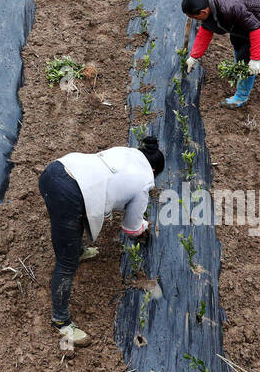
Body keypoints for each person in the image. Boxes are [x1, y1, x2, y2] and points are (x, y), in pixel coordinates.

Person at [37, 137, 165, 347]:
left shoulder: (127, 153)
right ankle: (61, 321)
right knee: (66, 263)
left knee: (72, 219)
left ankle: (77, 249)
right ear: (153, 169)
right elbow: (131, 228)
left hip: (56, 170)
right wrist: (144, 227)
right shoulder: (144, 182)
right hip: (68, 193)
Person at [181, 0, 260, 108]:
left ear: (203, 12)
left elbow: (257, 29)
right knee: (236, 41)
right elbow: (206, 30)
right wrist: (193, 56)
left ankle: (241, 96)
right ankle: (241, 70)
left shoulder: (230, 7)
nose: (195, 20)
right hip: (249, 20)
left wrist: (255, 58)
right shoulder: (211, 4)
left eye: (194, 17)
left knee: (245, 60)